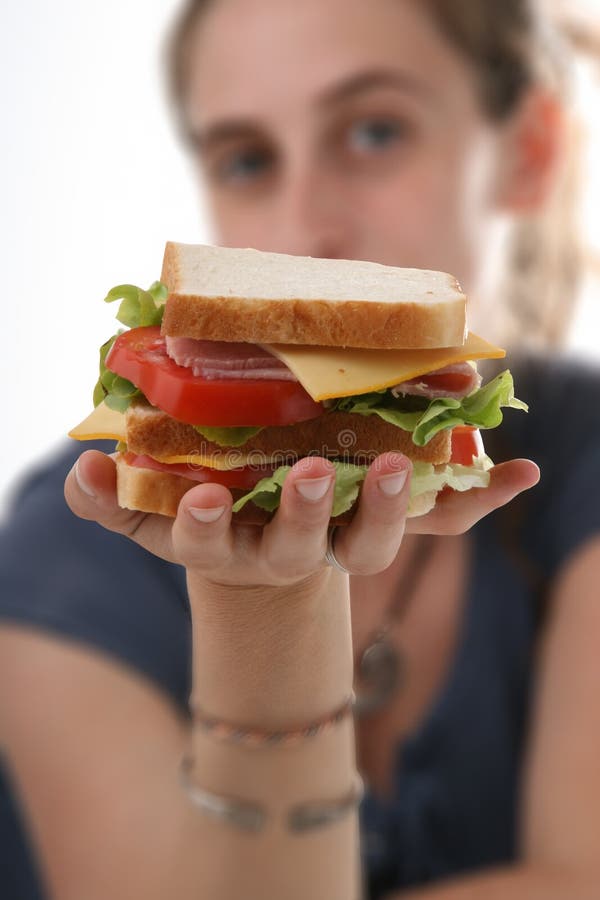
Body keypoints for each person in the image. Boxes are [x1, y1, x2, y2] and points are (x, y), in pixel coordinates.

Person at [1, 0, 600, 897]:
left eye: (373, 133)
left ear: (530, 153)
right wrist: (264, 610)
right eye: (246, 159)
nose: (304, 225)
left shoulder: (582, 454)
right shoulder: (72, 549)